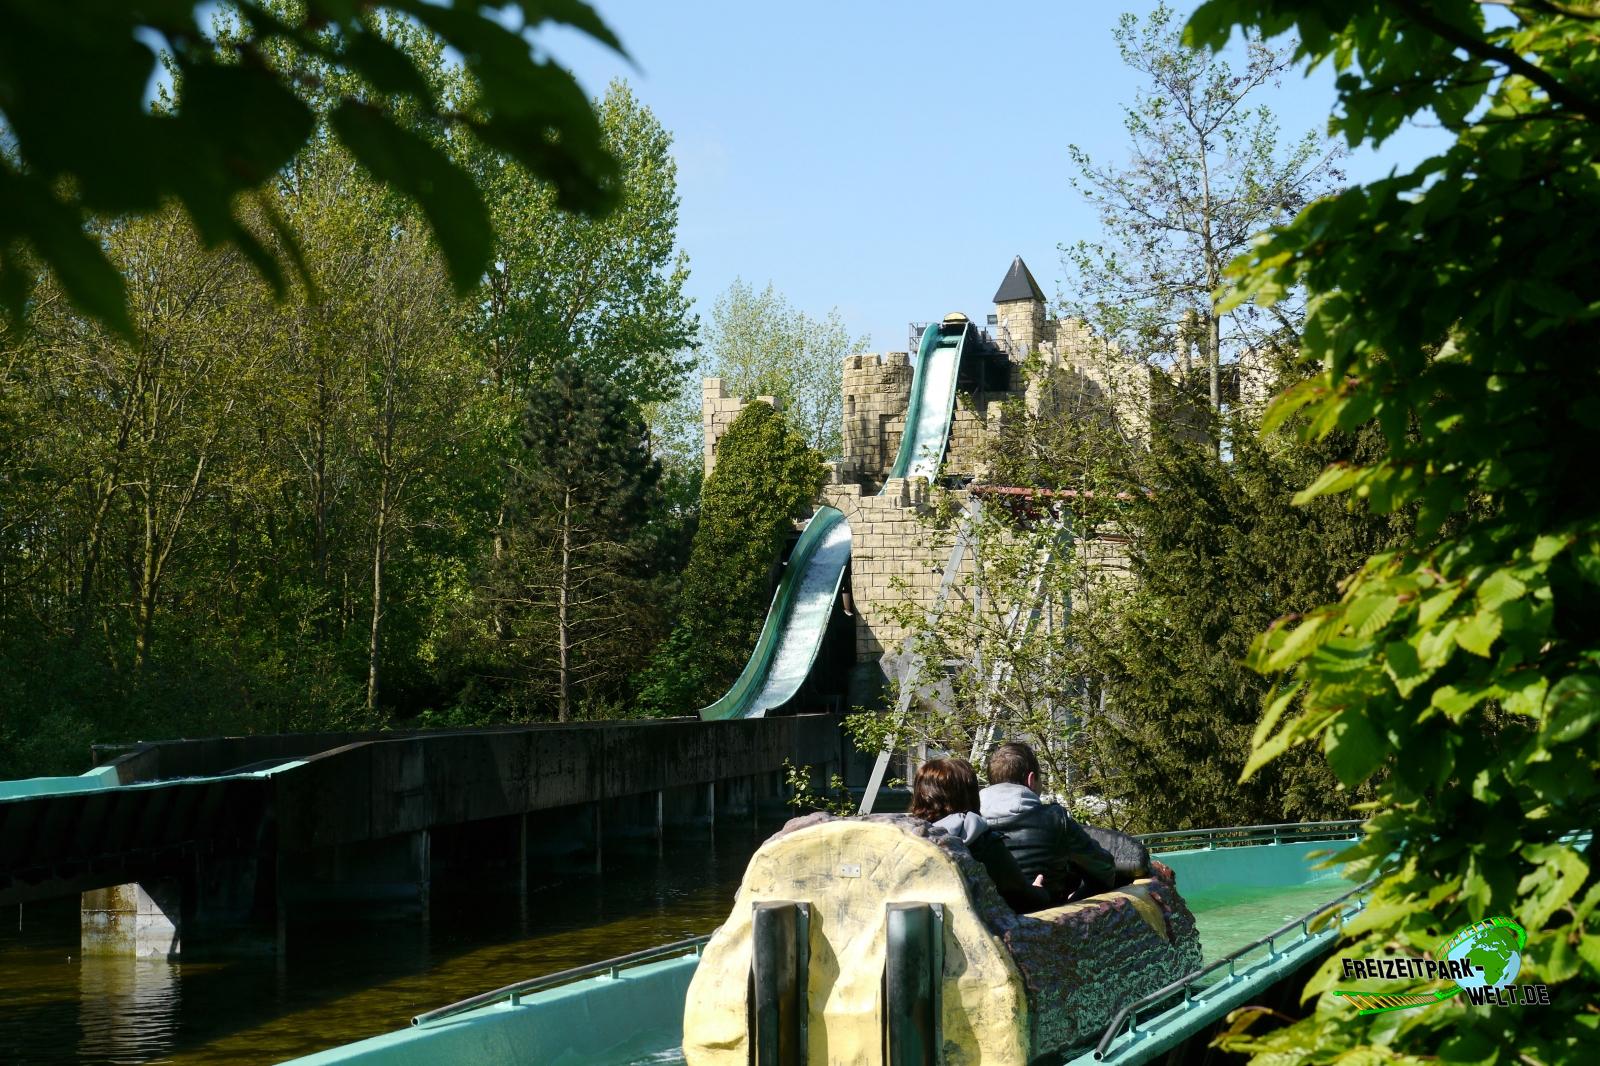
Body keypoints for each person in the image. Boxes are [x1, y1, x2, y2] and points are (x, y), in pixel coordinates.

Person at [979, 742, 1116, 904]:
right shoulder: (1056, 820)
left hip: (989, 917)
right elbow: (1105, 870)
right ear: (1031, 780)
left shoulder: (968, 825)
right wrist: (1075, 899)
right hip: (1048, 915)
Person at [909, 757, 1050, 913]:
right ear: (970, 795)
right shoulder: (982, 842)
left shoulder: (907, 839)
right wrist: (1039, 891)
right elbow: (1023, 896)